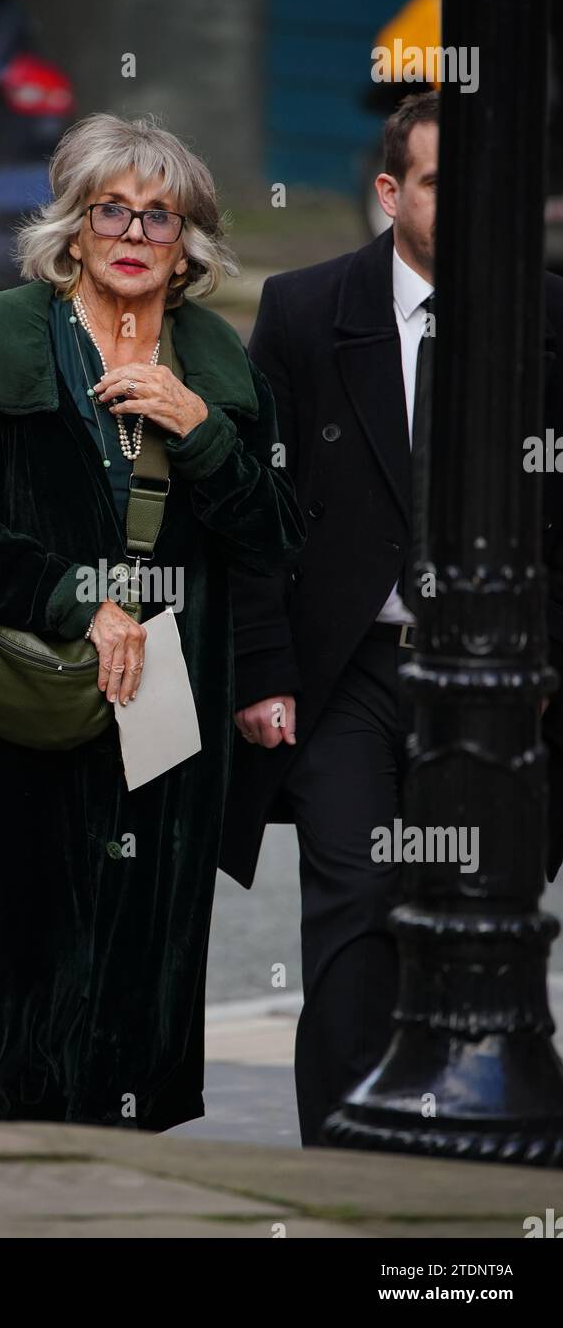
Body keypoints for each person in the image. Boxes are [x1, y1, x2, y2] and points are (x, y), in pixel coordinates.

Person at [0, 113, 304, 1131]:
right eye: (108, 209)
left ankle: (119, 1178)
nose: (131, 232)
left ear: (186, 241)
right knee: (10, 943)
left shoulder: (217, 360)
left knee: (135, 955)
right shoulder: (2, 334)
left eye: (156, 216)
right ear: (72, 230)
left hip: (168, 712)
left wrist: (199, 431)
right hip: (23, 697)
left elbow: (275, 539)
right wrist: (83, 602)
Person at [223, 90, 563, 1146]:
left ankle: (483, 1137)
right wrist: (257, 671)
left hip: (506, 678)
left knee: (487, 912)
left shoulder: (546, 317)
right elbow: (252, 516)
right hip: (352, 671)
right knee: (357, 904)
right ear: (387, 192)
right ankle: (344, 1152)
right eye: (434, 182)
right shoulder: (301, 312)